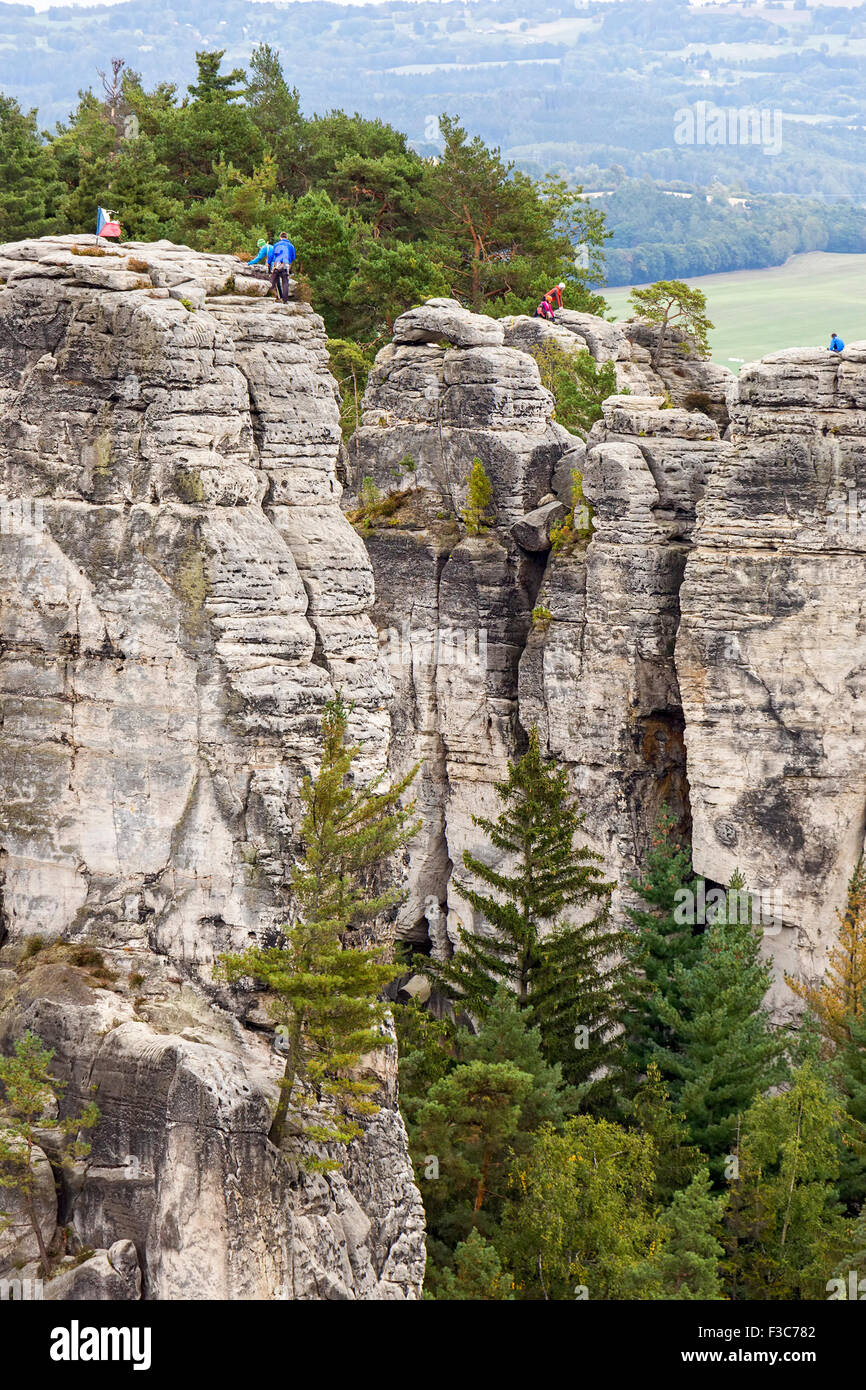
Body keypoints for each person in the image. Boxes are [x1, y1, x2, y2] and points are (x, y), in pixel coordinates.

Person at [268, 232, 296, 304]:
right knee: (285, 282)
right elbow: (293, 257)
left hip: (277, 264)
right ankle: (285, 300)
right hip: (286, 264)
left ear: (280, 237)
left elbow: (271, 256)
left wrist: (269, 263)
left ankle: (268, 296)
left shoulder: (276, 244)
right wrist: (288, 260)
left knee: (272, 280)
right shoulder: (291, 246)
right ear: (287, 238)